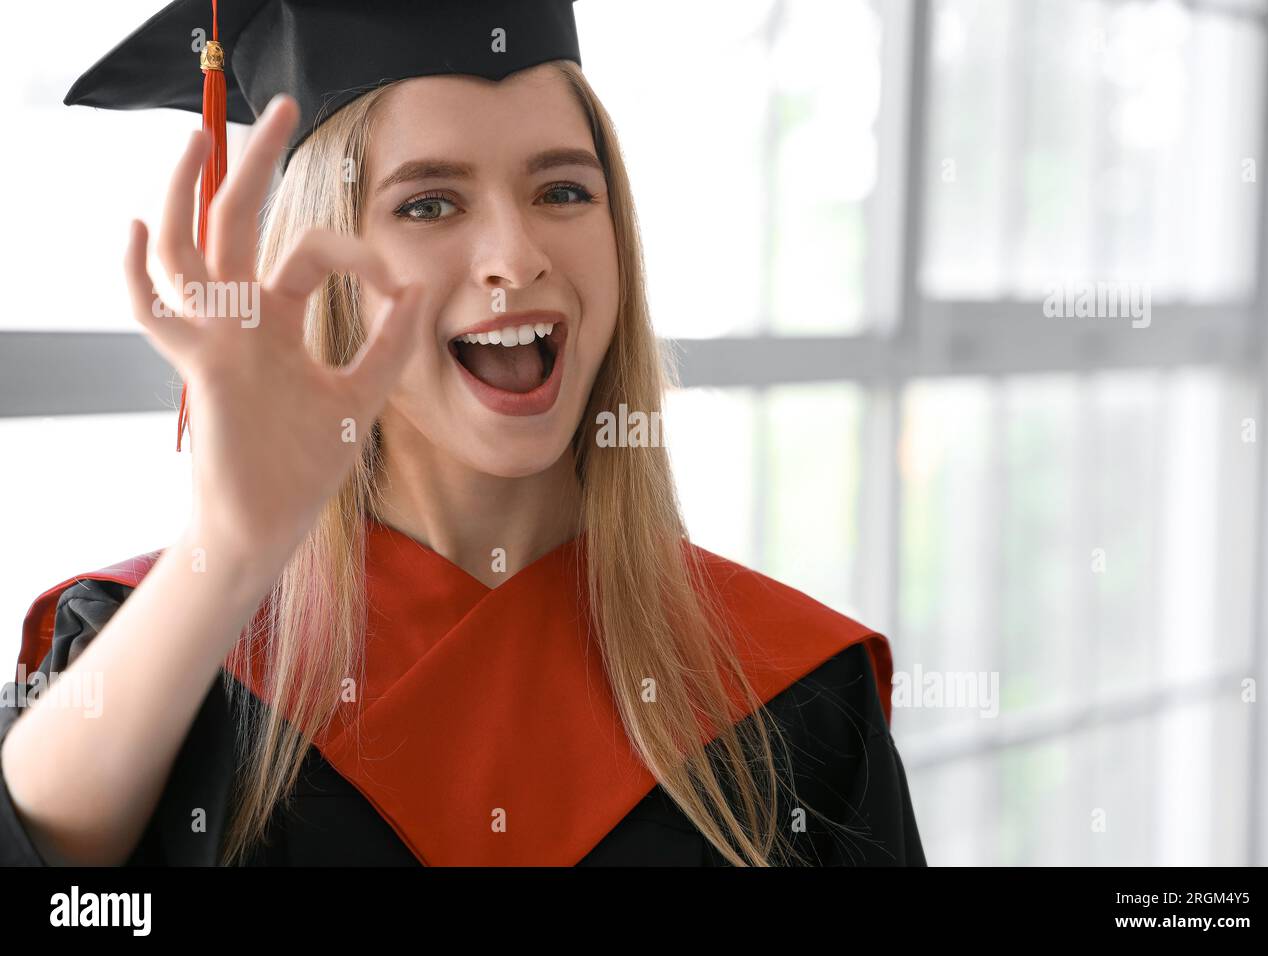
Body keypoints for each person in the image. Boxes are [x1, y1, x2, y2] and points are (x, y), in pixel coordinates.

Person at [0, 0, 925, 867]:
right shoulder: (168, 652)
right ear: (330, 270)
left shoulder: (797, 700)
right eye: (429, 204)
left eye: (563, 191)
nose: (515, 258)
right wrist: (232, 550)